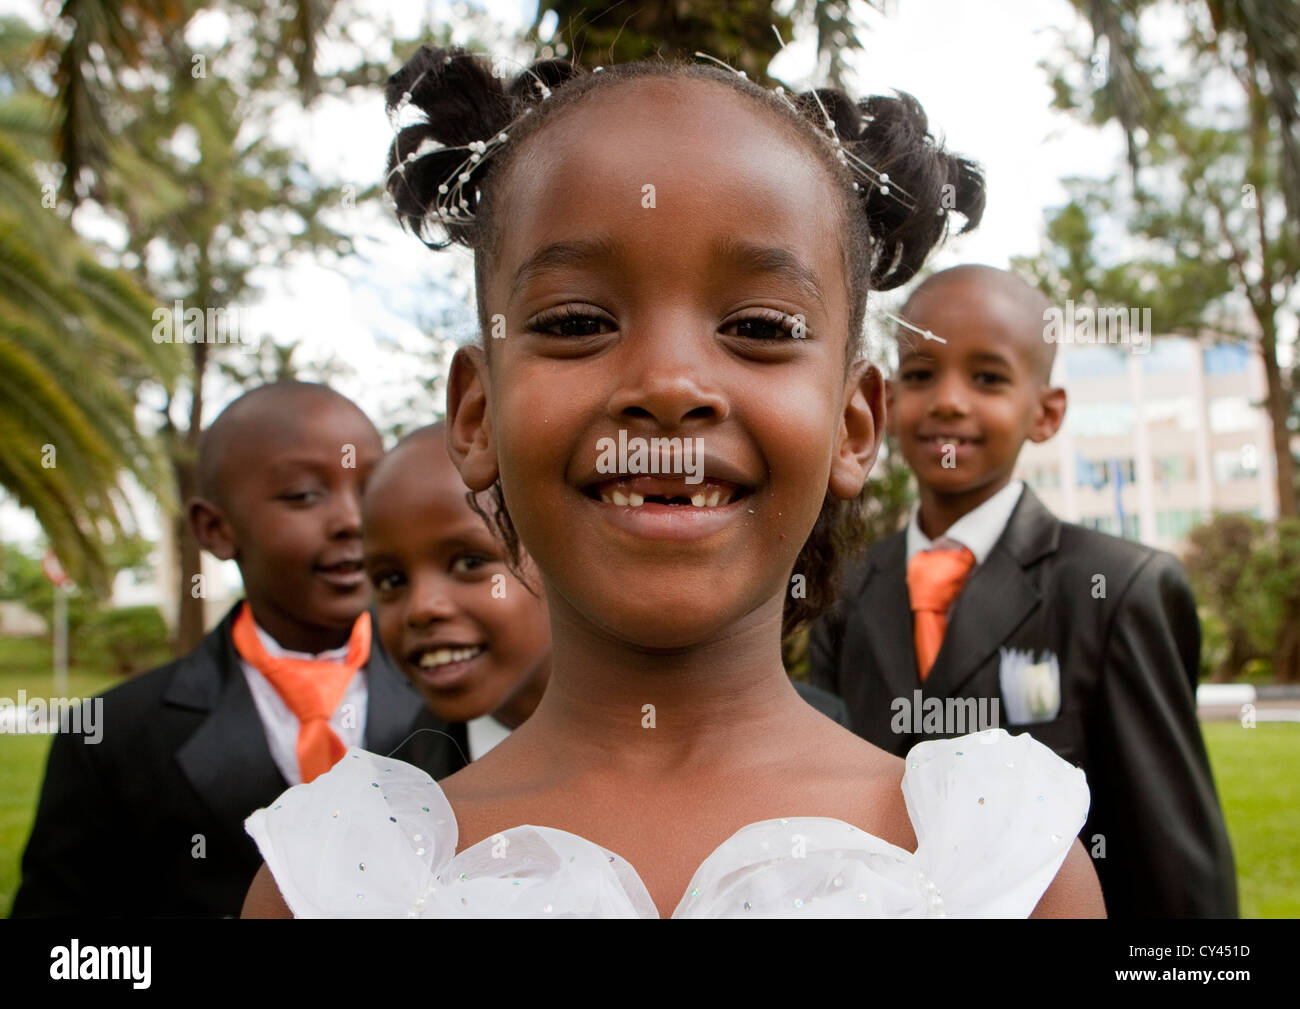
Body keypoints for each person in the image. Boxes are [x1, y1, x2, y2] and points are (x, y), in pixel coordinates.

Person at [241, 47, 1104, 918]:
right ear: (475, 415)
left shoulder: (1001, 869)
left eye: (760, 326)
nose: (668, 382)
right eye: (577, 321)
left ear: (853, 425)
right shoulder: (334, 882)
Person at [808, 264, 1238, 917]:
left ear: (1046, 412)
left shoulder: (1119, 591)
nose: (949, 400)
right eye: (921, 374)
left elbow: (1175, 872)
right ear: (886, 402)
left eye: (988, 377)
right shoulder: (844, 590)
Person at [12, 382, 465, 917]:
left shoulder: (458, 696)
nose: (351, 520)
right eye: (303, 495)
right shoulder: (112, 735)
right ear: (215, 529)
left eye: (370, 491)